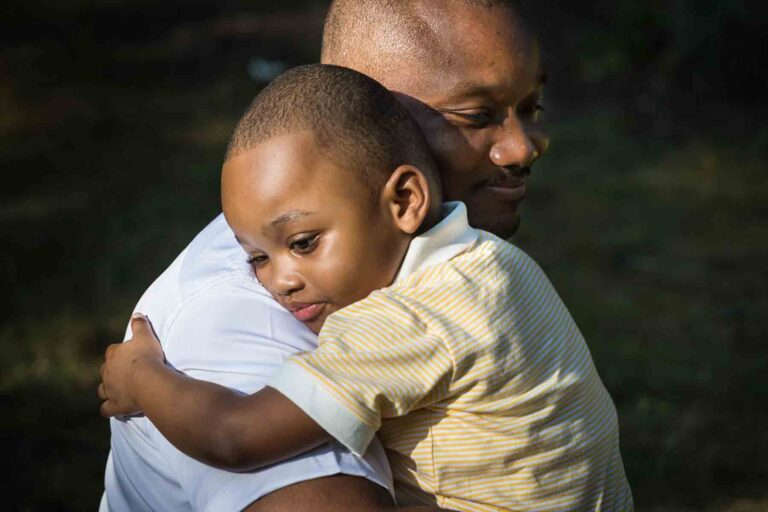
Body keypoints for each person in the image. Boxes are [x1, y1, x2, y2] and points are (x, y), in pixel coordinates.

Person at [96, 0, 608, 510]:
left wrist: (141, 377)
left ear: (405, 199)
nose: (523, 148)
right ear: (372, 112)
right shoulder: (237, 325)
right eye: (477, 116)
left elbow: (235, 433)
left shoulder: (415, 313)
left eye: (531, 106)